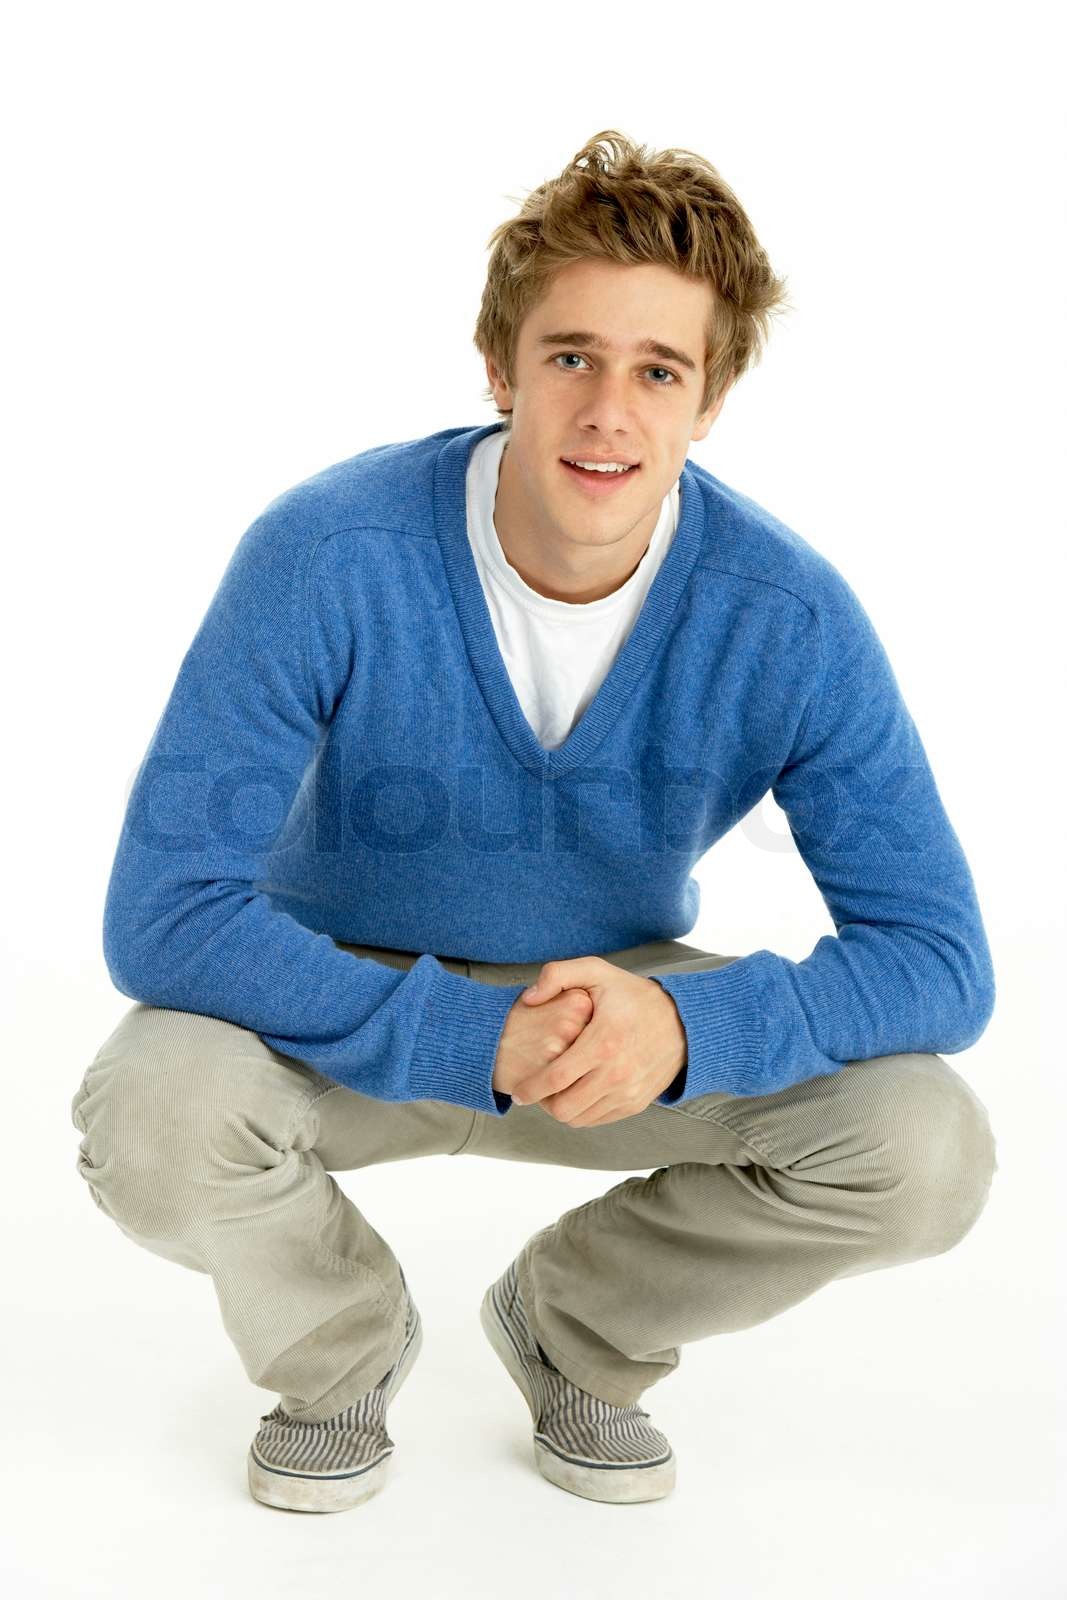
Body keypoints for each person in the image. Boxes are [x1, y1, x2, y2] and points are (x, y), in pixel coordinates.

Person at [71, 128, 998, 1514]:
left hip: (610, 1017)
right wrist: (462, 1035)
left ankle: (575, 1328)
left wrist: (685, 1027)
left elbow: (941, 961)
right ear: (500, 368)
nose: (608, 411)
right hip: (340, 1007)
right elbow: (164, 916)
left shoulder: (789, 618)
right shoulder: (328, 553)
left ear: (711, 399)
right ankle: (341, 1354)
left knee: (927, 1148)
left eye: (659, 370)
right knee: (152, 1114)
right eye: (571, 357)